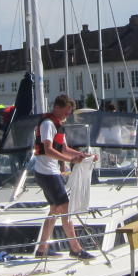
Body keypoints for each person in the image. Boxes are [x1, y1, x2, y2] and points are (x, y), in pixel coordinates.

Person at [31, 95, 93, 259]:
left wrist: (82, 155)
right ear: (57, 107)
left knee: (55, 209)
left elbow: (64, 148)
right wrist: (71, 160)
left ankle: (42, 249)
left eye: (69, 112)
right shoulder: (48, 124)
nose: (67, 115)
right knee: (66, 208)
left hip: (50, 172)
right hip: (46, 172)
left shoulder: (58, 125)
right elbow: (49, 150)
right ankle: (75, 248)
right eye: (66, 111)